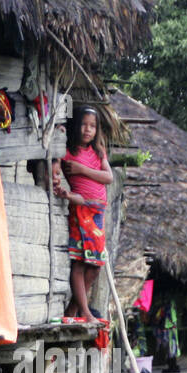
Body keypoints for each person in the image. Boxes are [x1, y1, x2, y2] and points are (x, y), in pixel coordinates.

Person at [54, 105, 113, 321]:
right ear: (76, 125)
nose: (88, 130)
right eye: (84, 124)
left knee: (95, 266)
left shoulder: (98, 152)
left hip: (98, 212)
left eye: (93, 126)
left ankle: (72, 309)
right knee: (80, 262)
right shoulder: (68, 151)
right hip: (81, 208)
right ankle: (86, 312)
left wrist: (82, 170)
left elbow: (109, 178)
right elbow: (56, 167)